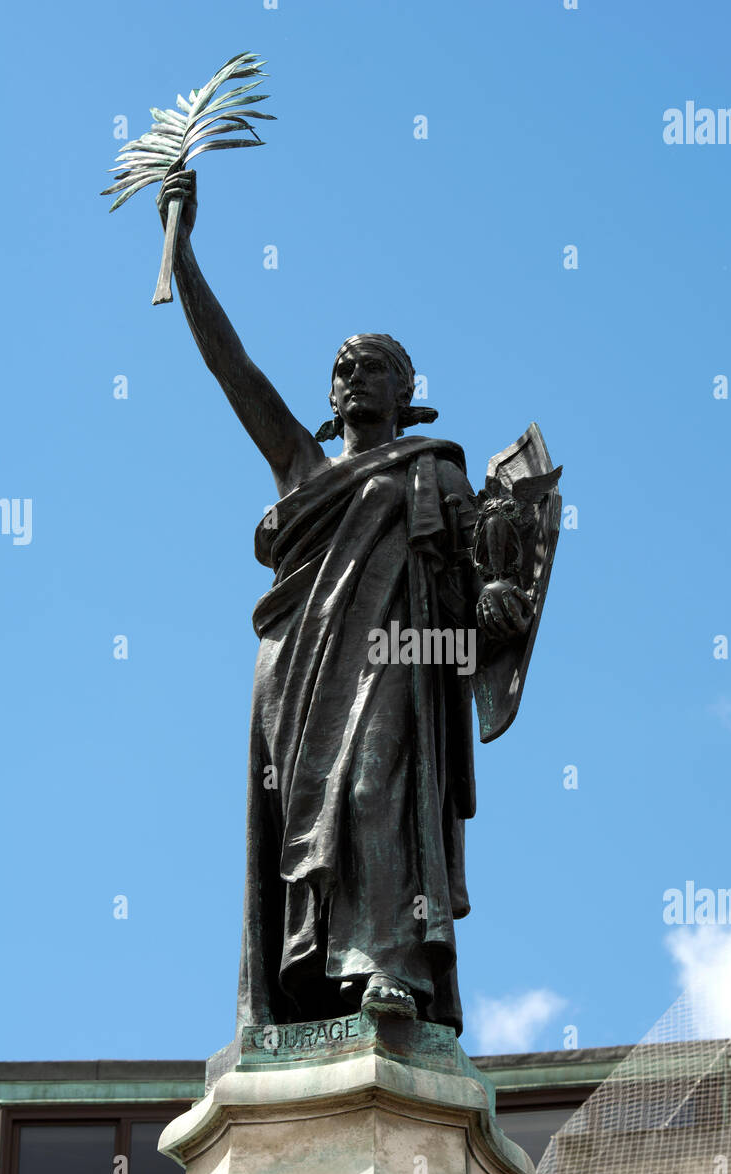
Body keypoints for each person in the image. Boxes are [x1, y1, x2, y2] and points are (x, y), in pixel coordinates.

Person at [157, 170, 533, 1035]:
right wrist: (184, 252)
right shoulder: (302, 467)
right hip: (295, 674)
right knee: (291, 830)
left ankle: (387, 966)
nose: (356, 376)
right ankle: (304, 991)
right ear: (331, 399)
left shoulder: (434, 471)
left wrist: (499, 606)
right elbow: (232, 367)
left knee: (378, 789)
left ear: (406, 392)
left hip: (404, 654)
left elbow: (477, 592)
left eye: (376, 368)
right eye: (343, 369)